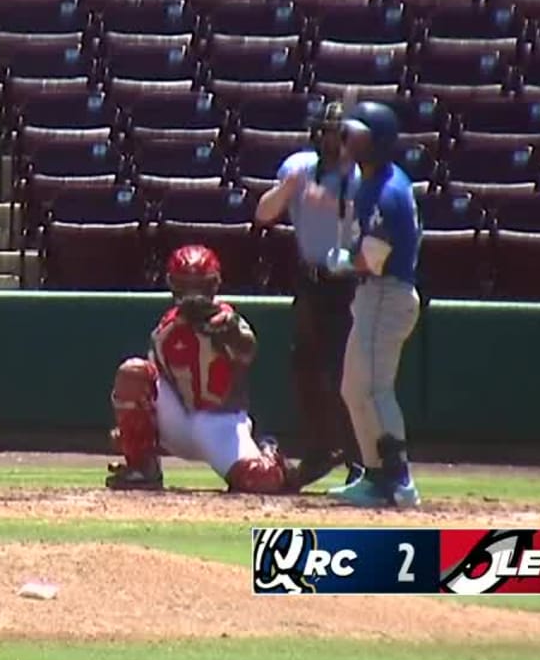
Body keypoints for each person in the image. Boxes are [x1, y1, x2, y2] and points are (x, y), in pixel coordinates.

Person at [104, 244, 303, 494]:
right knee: (133, 372)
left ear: (214, 285)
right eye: (186, 286)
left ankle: (270, 453)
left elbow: (247, 351)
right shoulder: (166, 328)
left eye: (199, 286)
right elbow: (154, 383)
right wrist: (134, 429)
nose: (193, 295)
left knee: (260, 480)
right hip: (178, 420)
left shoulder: (227, 321)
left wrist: (228, 335)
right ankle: (142, 468)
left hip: (219, 422)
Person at [253, 101, 363, 489]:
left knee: (344, 374)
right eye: (325, 131)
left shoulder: (362, 174)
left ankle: (360, 460)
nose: (328, 139)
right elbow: (264, 214)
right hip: (311, 282)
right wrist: (290, 186)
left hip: (351, 284)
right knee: (306, 370)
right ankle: (320, 449)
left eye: (336, 132)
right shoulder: (299, 167)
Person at [324, 101, 423, 509]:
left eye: (357, 134)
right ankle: (376, 475)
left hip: (387, 292)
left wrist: (344, 261)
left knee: (375, 389)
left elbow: (372, 260)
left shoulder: (388, 191)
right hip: (376, 294)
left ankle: (399, 480)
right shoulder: (373, 179)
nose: (347, 139)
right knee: (354, 389)